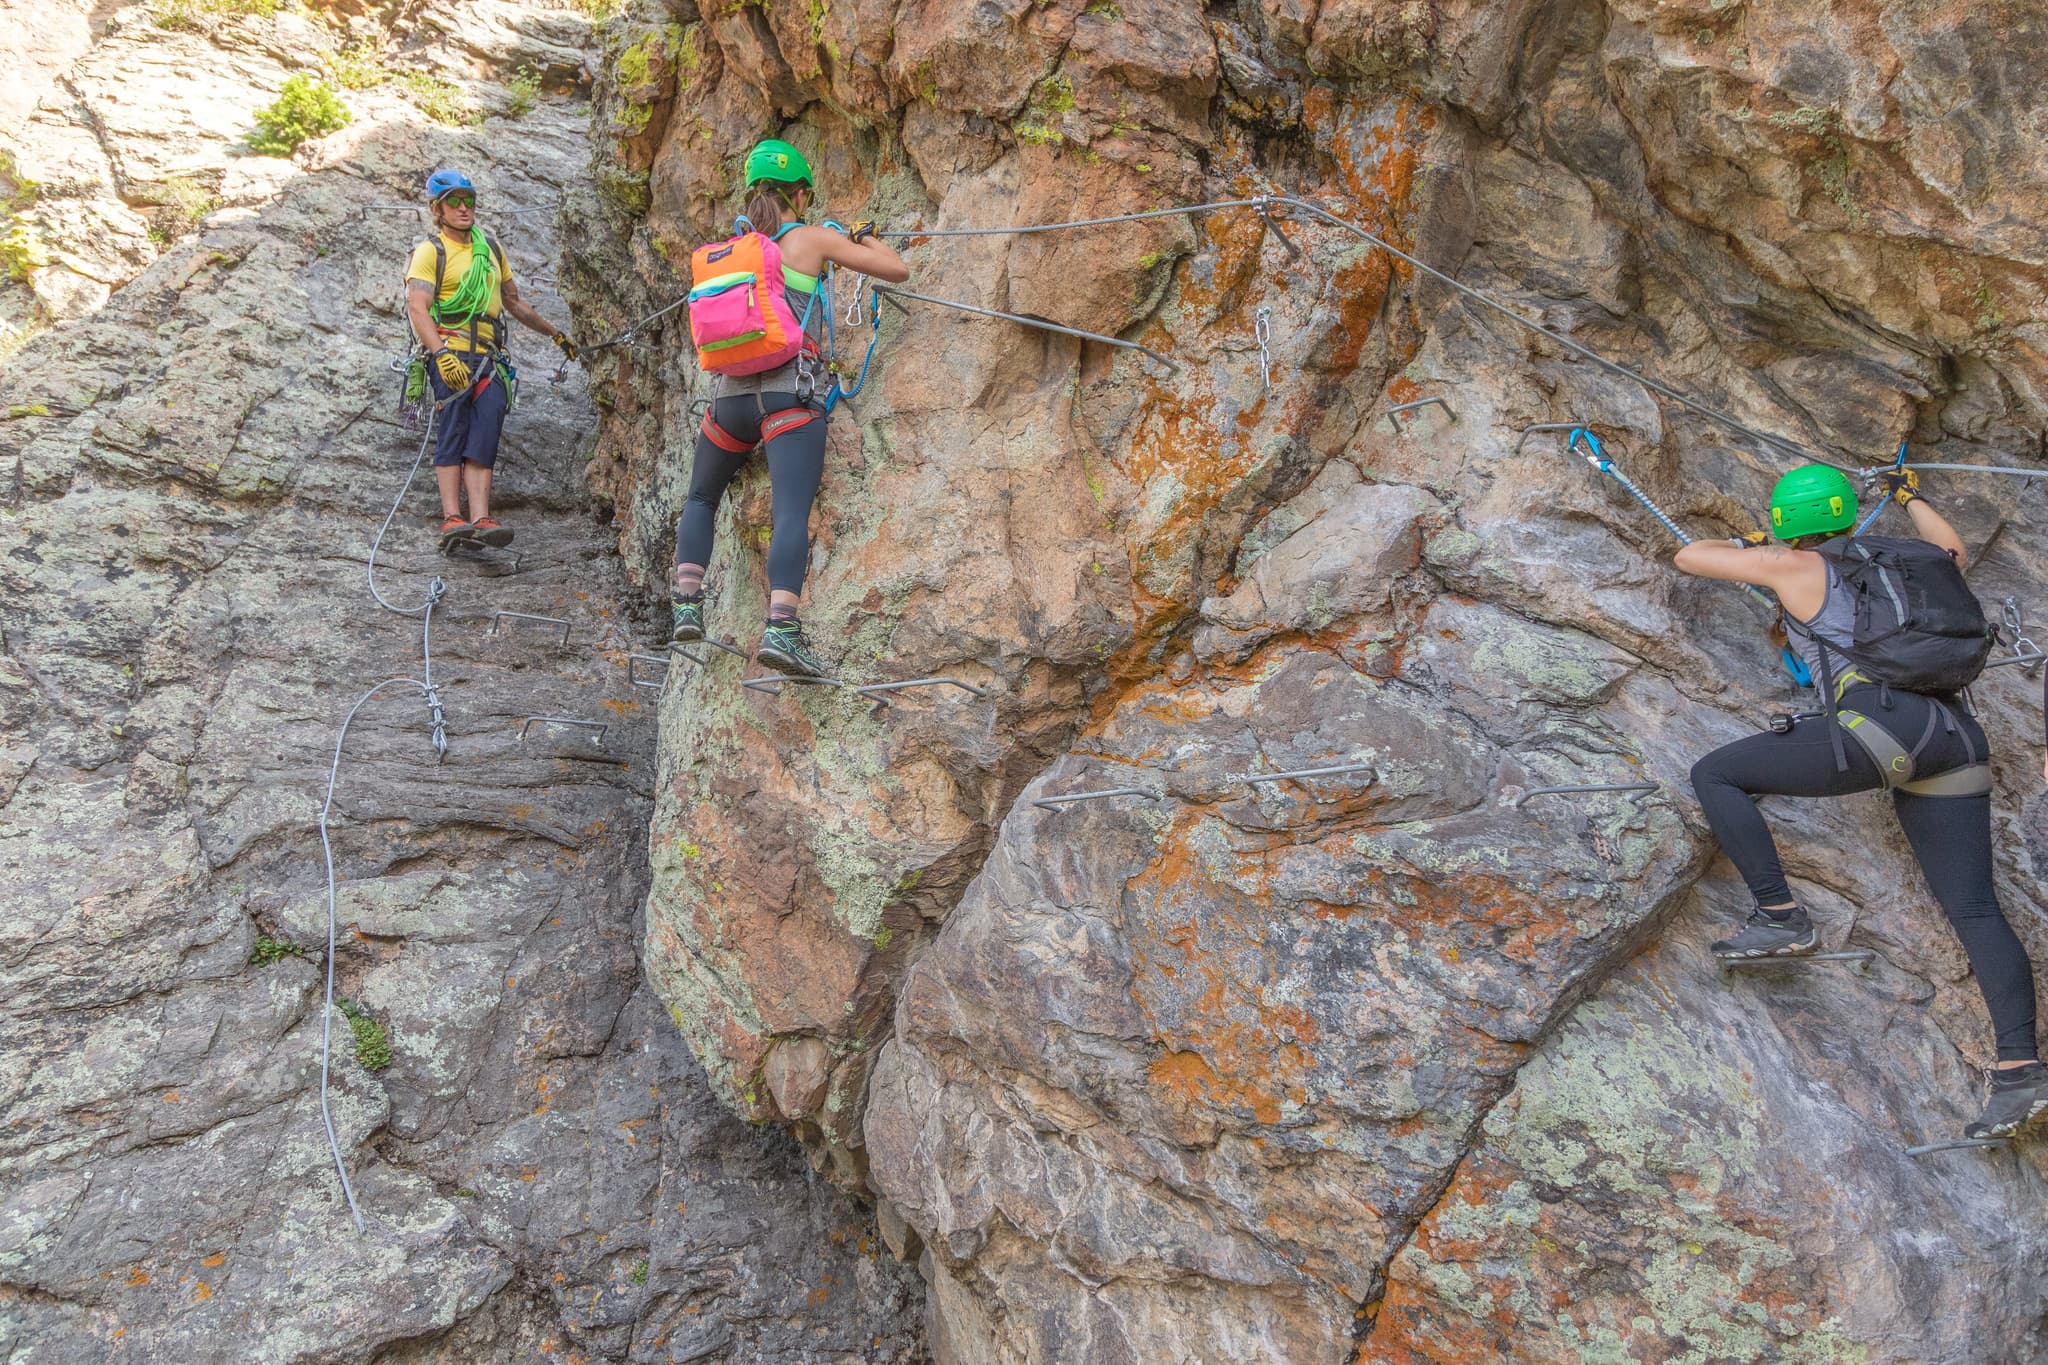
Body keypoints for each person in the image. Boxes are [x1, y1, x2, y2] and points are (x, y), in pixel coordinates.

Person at [1677, 464, 2045, 1139]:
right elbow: (1955, 548)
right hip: (1955, 734)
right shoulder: (1915, 561)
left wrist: (1758, 545)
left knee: (1715, 774)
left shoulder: (1794, 567)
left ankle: (1780, 915)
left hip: (1877, 727)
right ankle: (2021, 1071)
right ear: (1848, 512)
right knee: (1975, 909)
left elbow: (1691, 555)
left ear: (1786, 522)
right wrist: (1909, 494)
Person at [670, 139, 910, 676]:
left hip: (728, 400)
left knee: (702, 496)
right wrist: (864, 235)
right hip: (789, 398)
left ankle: (686, 603)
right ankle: (781, 630)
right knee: (789, 513)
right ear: (799, 194)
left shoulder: (734, 251)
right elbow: (896, 269)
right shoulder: (812, 239)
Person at [405, 168, 577, 548]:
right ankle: (452, 517)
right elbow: (418, 307)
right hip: (450, 349)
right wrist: (440, 353)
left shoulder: (492, 250)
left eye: (468, 200)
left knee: (485, 431)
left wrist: (555, 334)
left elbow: (513, 302)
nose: (463, 207)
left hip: (488, 356)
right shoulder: (431, 251)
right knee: (453, 426)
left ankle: (481, 517)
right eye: (454, 201)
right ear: (437, 209)